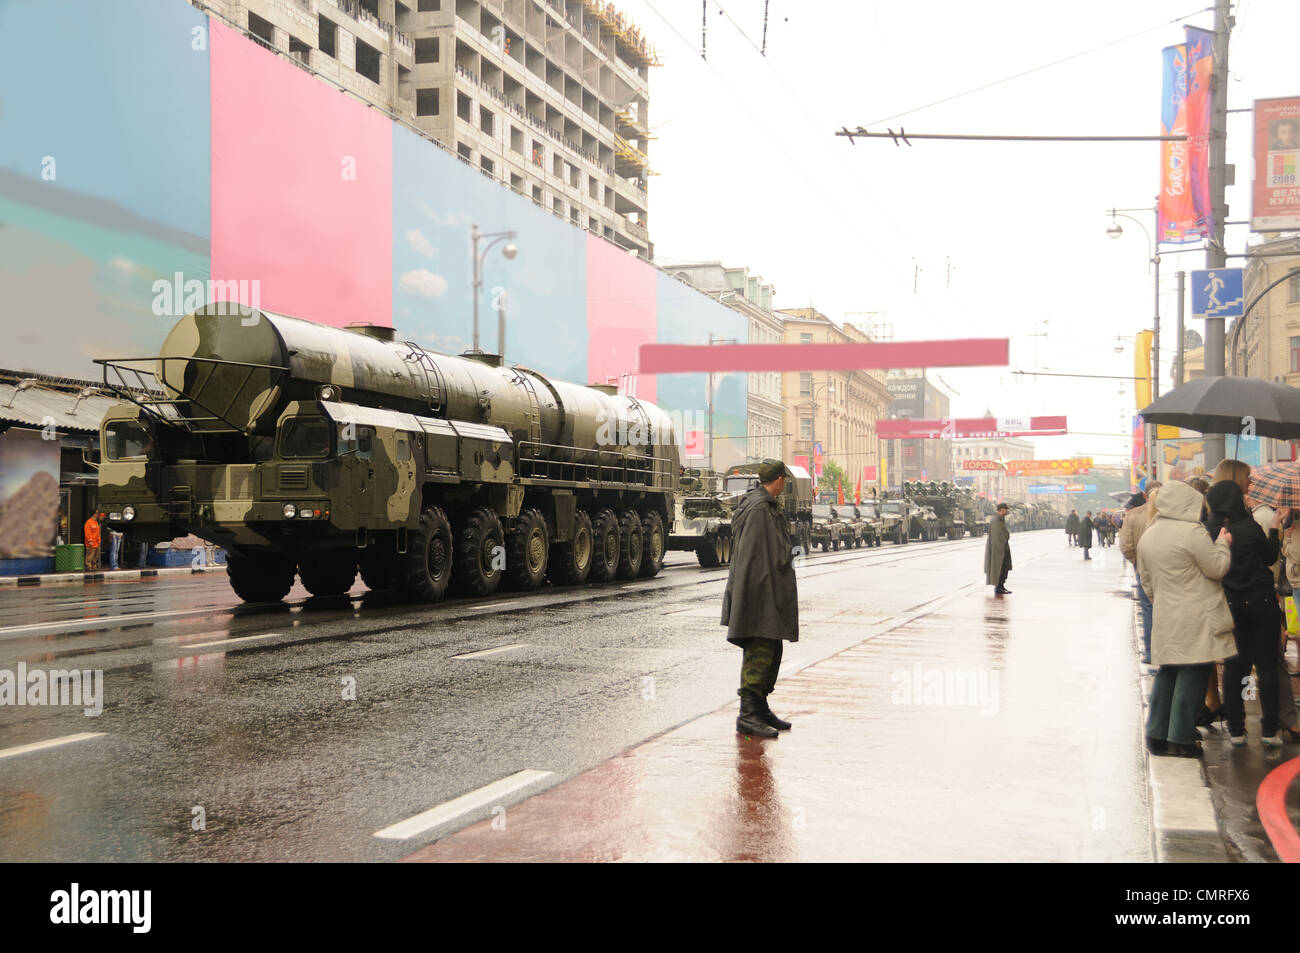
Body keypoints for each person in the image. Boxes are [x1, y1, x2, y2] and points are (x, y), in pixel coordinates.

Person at [1138, 479, 1235, 757]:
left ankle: (1156, 735)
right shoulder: (1193, 532)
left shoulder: (1150, 533)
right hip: (1195, 614)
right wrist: (1223, 543)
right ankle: (1181, 739)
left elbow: (1146, 581)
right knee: (1193, 671)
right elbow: (1216, 567)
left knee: (1168, 671)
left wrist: (1163, 602)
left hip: (1166, 612)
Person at [721, 459, 799, 739]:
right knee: (760, 649)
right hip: (758, 593)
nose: (784, 486)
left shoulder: (762, 507)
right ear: (778, 480)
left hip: (763, 590)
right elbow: (755, 557)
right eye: (784, 482)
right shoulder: (759, 511)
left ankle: (760, 707)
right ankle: (748, 714)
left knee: (771, 648)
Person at [1205, 479, 1286, 747]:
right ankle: (1269, 729)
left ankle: (1237, 730)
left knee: (1234, 666)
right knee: (1266, 666)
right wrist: (1274, 528)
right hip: (1262, 602)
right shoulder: (1250, 528)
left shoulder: (1212, 530)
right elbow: (1269, 557)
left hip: (1232, 605)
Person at [985, 502, 1012, 595]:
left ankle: (1001, 586)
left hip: (1002, 548)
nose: (1007, 511)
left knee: (1004, 568)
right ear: (1001, 510)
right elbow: (997, 536)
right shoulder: (996, 520)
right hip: (998, 550)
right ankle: (999, 588)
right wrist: (1000, 550)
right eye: (1006, 509)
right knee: (999, 568)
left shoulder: (1000, 519)